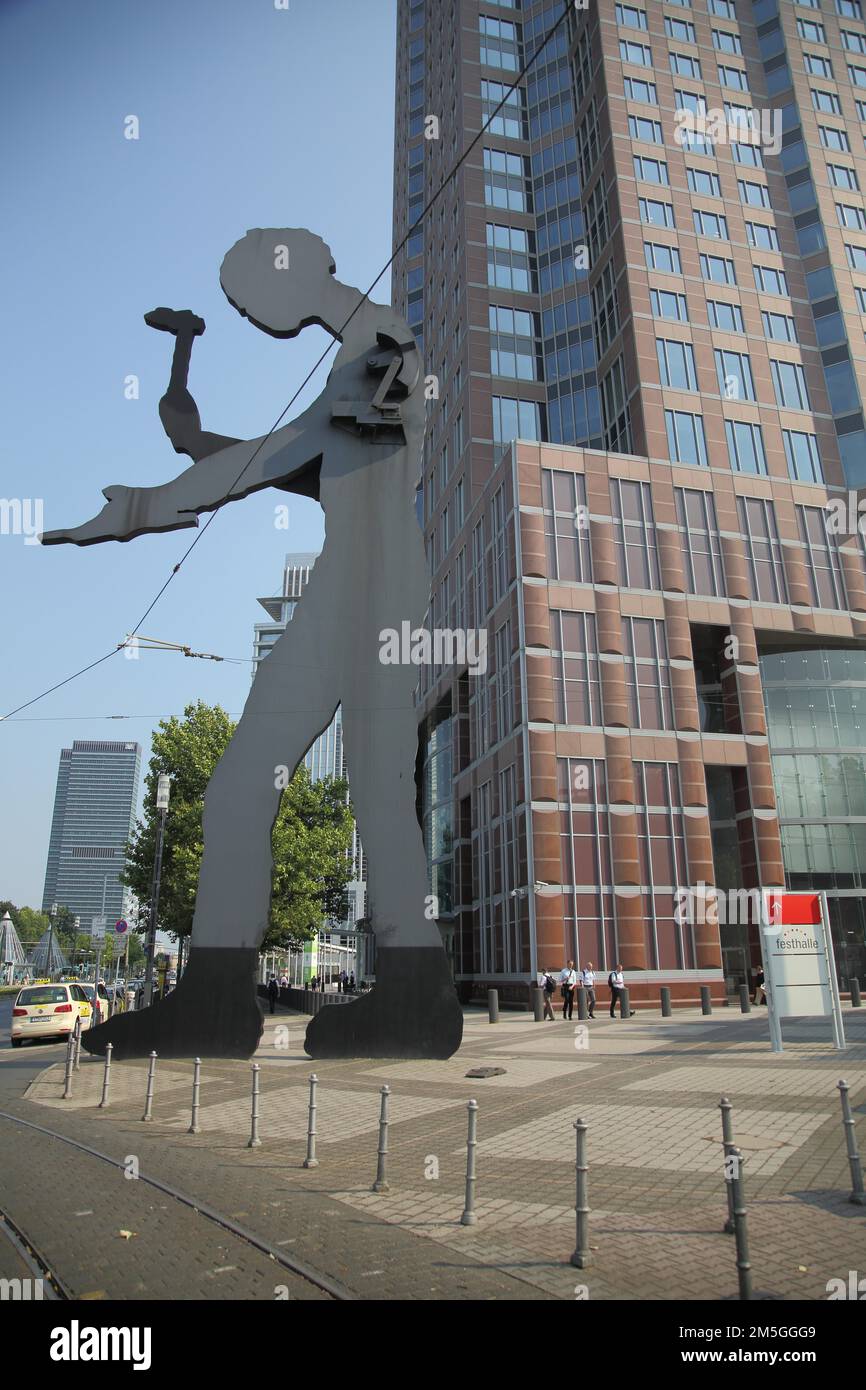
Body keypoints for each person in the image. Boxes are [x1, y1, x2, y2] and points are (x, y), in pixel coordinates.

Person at [47, 228, 463, 1063]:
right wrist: (185, 415)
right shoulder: (364, 354)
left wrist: (139, 507)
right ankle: (216, 996)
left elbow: (268, 456)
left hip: (371, 596)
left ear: (294, 271)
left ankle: (409, 991)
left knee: (372, 788)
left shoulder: (378, 340)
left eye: (245, 295)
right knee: (251, 787)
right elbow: (267, 457)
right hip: (355, 589)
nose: (247, 310)